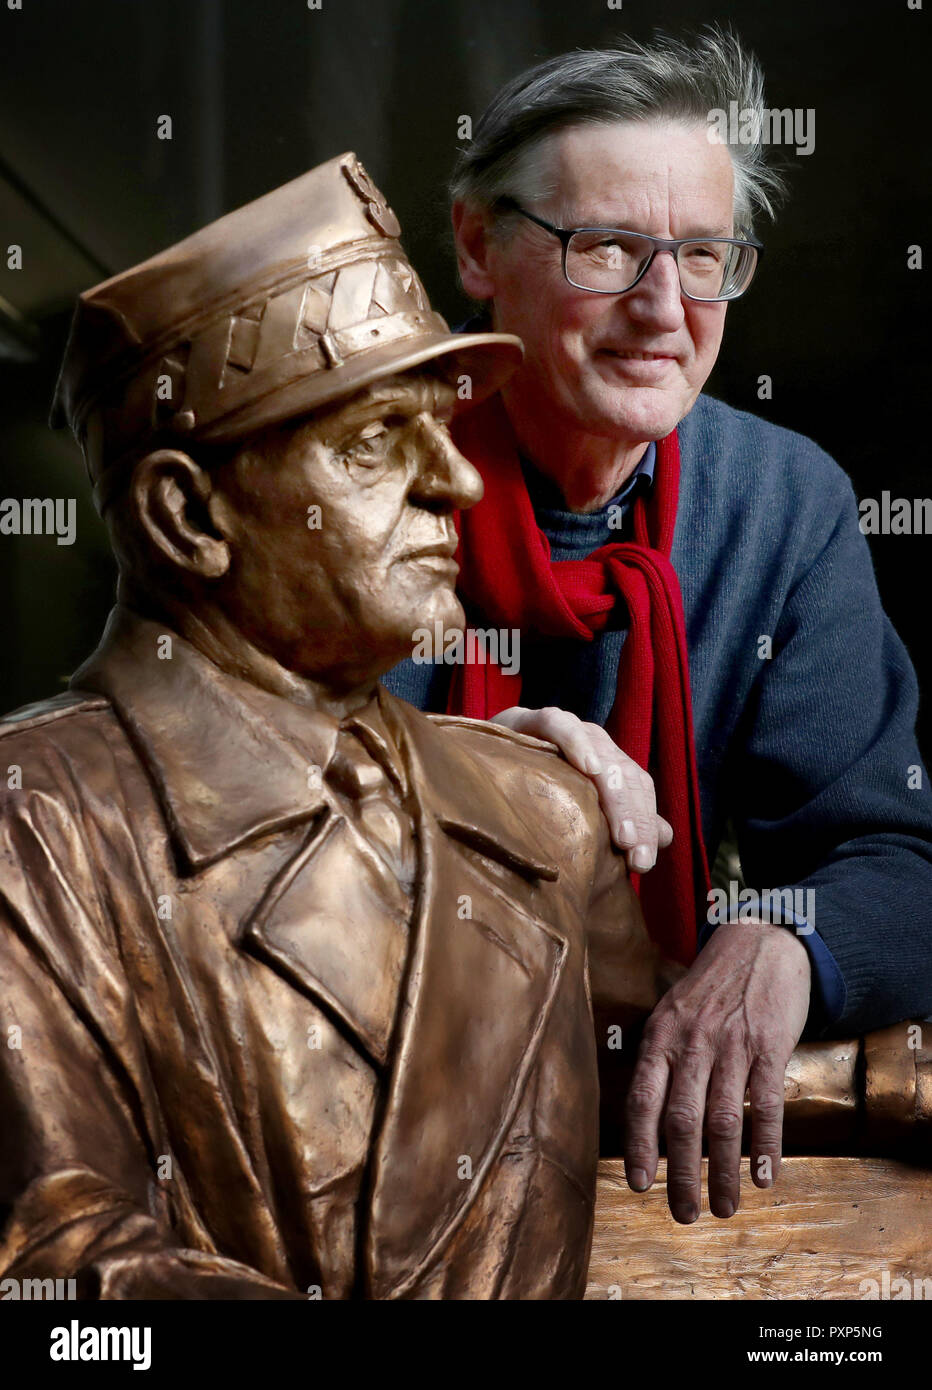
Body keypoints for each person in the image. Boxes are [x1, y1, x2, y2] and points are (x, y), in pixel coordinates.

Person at [0, 154, 671, 1300]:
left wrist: (863, 1057)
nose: (455, 481)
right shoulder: (36, 826)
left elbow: (655, 1090)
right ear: (187, 514)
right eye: (373, 443)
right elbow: (57, 1274)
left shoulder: (546, 809)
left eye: (440, 428)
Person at [382, 29, 932, 1226]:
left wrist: (782, 940)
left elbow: (897, 864)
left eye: (700, 255)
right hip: (367, 1129)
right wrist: (458, 787)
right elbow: (221, 825)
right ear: (478, 245)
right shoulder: (354, 485)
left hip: (654, 1167)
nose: (662, 309)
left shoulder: (783, 506)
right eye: (609, 248)